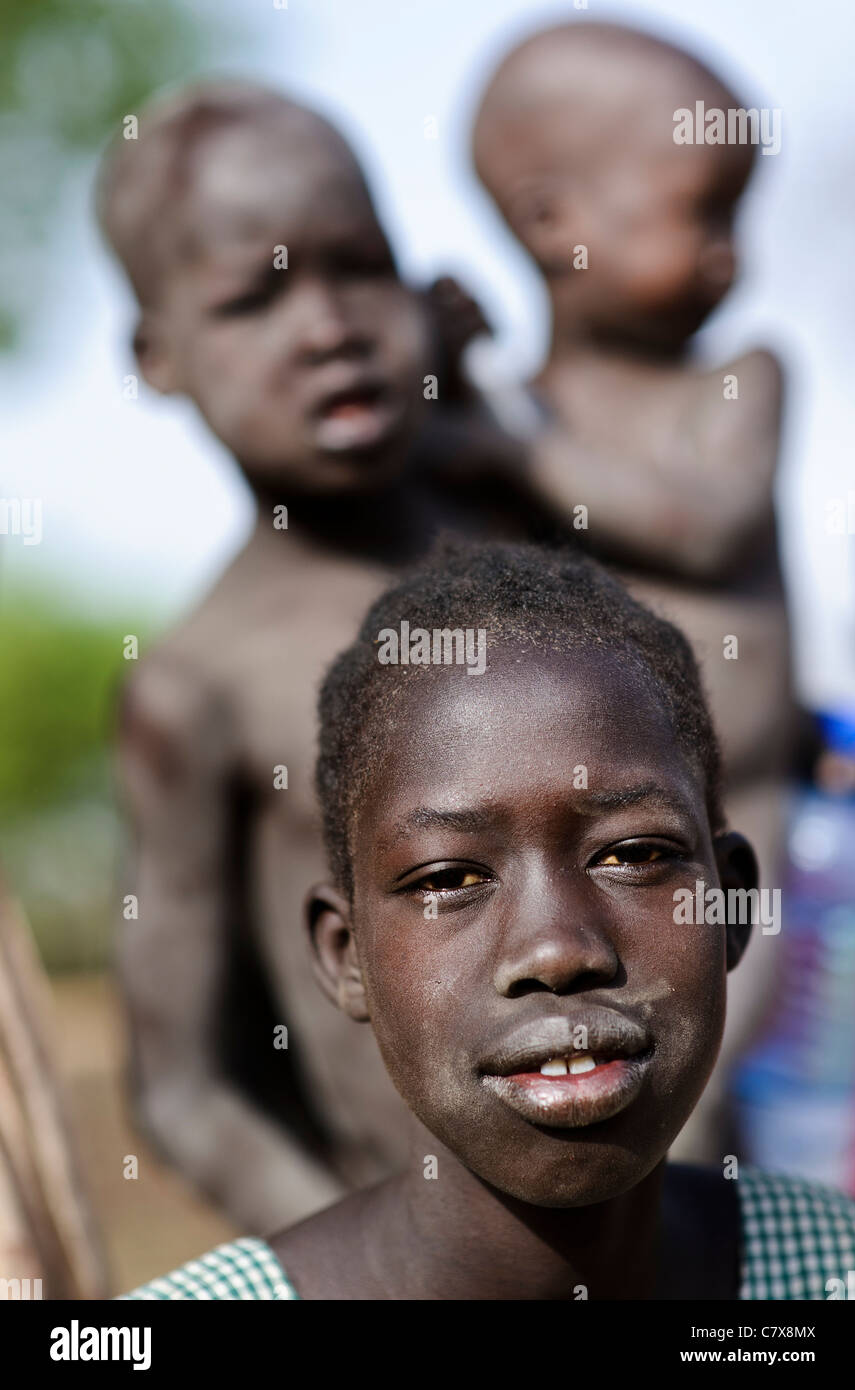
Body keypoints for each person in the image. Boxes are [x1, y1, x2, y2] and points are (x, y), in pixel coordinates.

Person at [120, 541, 855, 1300]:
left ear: (731, 904)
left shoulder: (837, 1269)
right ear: (346, 956)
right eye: (448, 879)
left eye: (633, 854)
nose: (557, 951)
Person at [99, 80, 536, 1234]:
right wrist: (374, 1271)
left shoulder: (555, 531)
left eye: (362, 266)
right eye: (255, 298)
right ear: (158, 355)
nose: (331, 326)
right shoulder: (198, 685)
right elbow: (184, 1089)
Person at [471, 20, 796, 1160]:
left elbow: (709, 523)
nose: (729, 257)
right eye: (700, 213)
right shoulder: (494, 417)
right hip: (587, 845)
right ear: (551, 222)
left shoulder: (737, 381)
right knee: (616, 1086)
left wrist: (502, 447)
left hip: (748, 812)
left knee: (710, 1082)